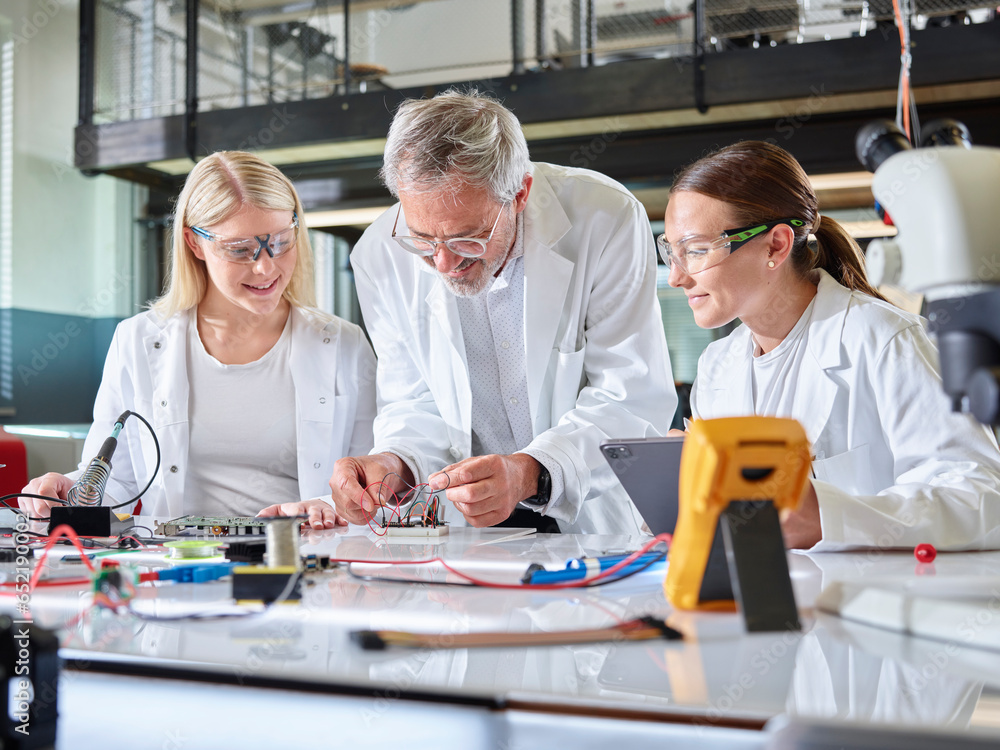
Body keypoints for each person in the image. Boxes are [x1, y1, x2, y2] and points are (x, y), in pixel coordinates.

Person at [330, 89, 677, 535]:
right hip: (463, 525)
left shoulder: (604, 218)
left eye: (467, 238)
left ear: (520, 194)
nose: (443, 262)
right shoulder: (380, 254)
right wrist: (393, 461)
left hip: (592, 516)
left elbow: (630, 396)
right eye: (422, 239)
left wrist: (530, 470)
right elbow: (414, 401)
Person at [663, 140, 1000, 550]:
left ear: (776, 245)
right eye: (671, 252)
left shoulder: (884, 339)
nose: (675, 278)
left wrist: (829, 516)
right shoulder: (718, 365)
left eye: (696, 251)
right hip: (763, 598)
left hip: (881, 601)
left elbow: (980, 494)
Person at [20, 151, 376, 530]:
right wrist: (68, 488)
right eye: (240, 250)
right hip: (179, 562)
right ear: (194, 243)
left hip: (300, 558)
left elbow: (367, 480)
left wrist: (326, 504)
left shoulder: (344, 345)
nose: (266, 266)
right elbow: (118, 482)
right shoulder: (137, 340)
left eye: (282, 242)